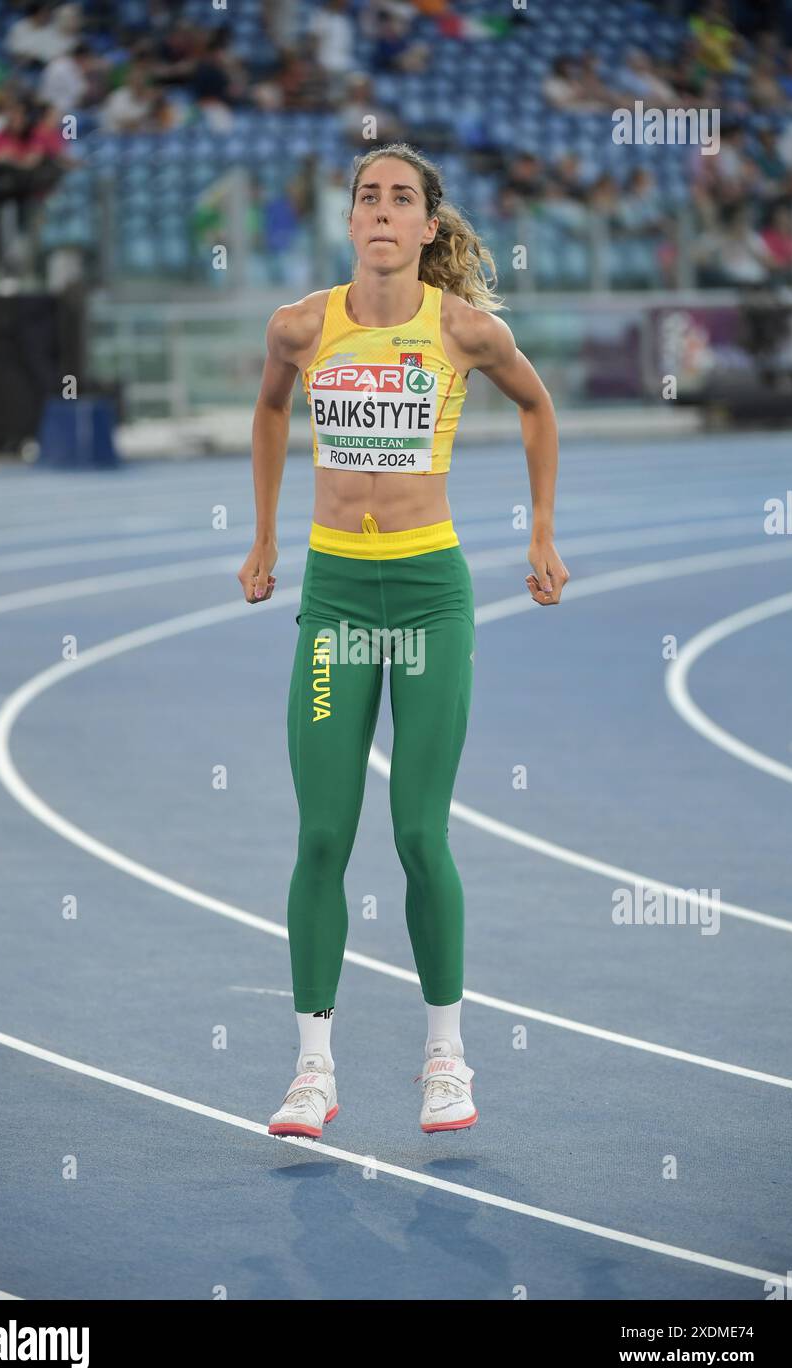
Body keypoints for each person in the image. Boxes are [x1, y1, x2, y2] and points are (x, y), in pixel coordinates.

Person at [239, 142, 568, 1139]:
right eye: (365, 197)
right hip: (336, 601)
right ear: (350, 222)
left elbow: (538, 407)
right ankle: (310, 1071)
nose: (380, 212)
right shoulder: (300, 327)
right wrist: (261, 537)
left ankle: (445, 1058)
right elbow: (264, 409)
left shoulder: (464, 329)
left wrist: (542, 531)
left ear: (428, 227)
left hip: (428, 596)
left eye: (400, 200)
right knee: (323, 834)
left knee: (420, 833)